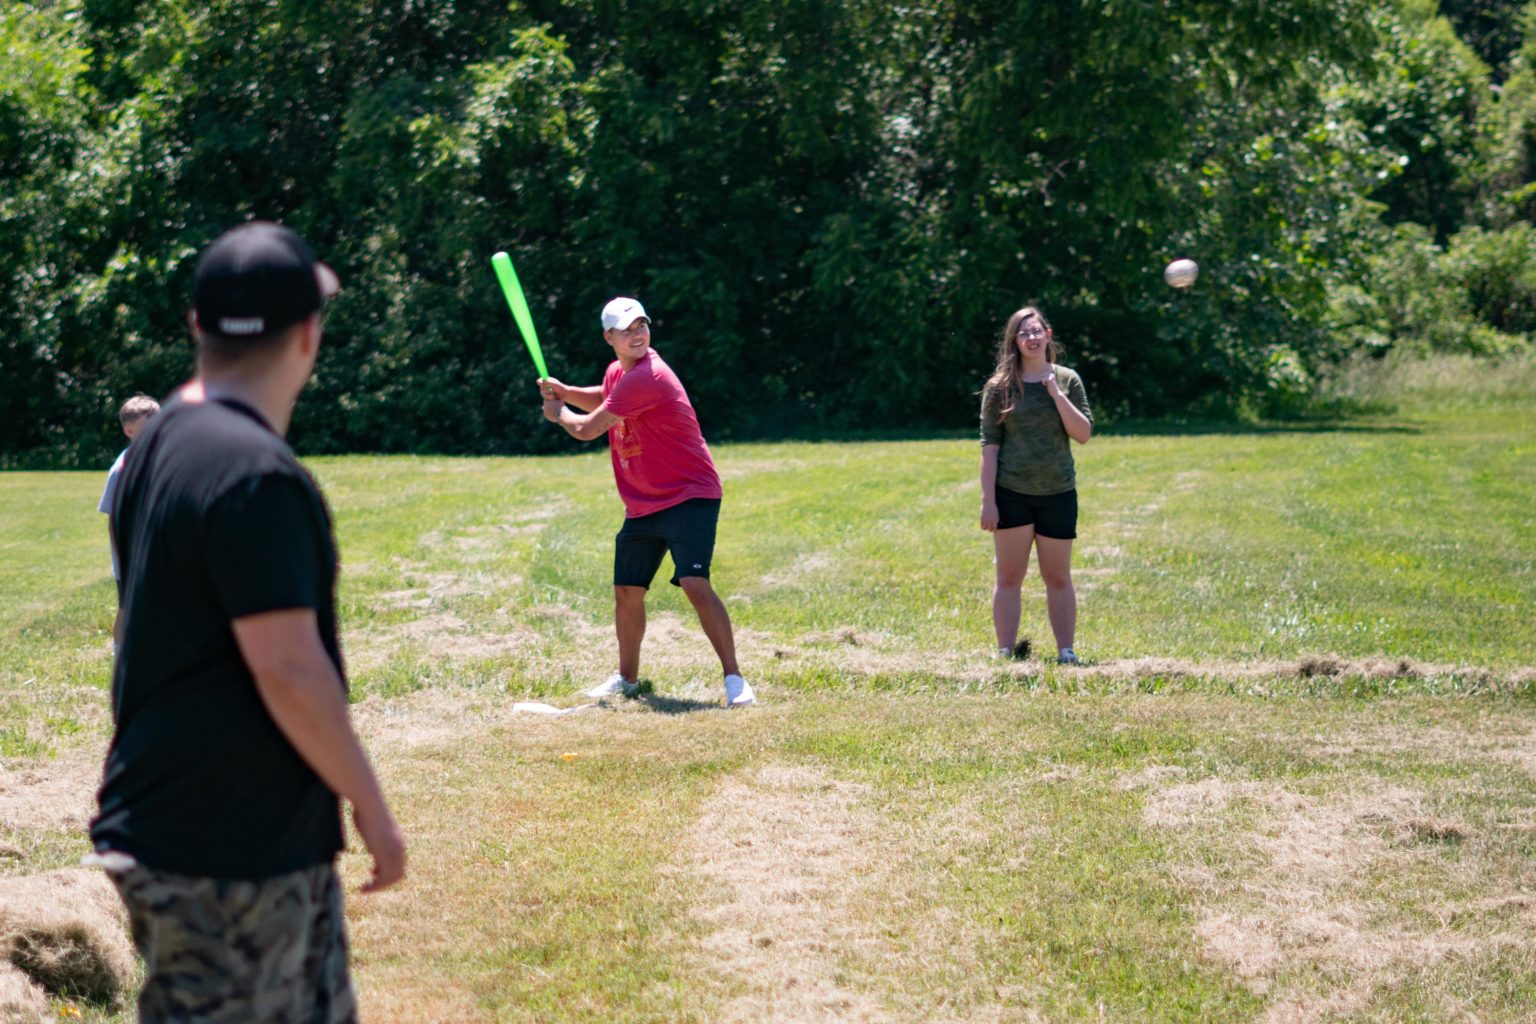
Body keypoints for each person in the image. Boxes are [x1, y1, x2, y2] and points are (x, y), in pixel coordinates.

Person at [90, 221, 406, 1023]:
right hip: (231, 848)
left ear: (197, 326)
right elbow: (289, 669)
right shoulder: (257, 476)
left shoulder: (155, 443)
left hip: (178, 820)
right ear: (309, 333)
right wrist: (368, 804)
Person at [538, 297, 755, 707]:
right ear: (609, 337)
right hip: (644, 501)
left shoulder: (649, 376)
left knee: (694, 583)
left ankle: (735, 679)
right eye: (626, 329)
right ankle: (627, 679)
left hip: (689, 494)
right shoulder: (619, 373)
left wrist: (558, 413)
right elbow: (603, 397)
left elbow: (586, 429)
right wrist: (566, 392)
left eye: (642, 325)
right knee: (627, 590)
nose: (637, 334)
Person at [978, 305, 1093, 665]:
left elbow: (1083, 434)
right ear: (1014, 339)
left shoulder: (1067, 379)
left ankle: (1066, 652)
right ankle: (1005, 652)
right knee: (1009, 576)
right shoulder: (1000, 387)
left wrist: (1055, 393)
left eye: (1036, 331)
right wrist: (989, 501)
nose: (1031, 338)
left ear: (1048, 334)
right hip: (1012, 493)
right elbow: (990, 447)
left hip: (1058, 492)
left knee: (1058, 577)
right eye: (1023, 332)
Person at [100, 394, 161, 650]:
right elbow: (114, 520)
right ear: (129, 430)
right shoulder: (121, 470)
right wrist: (122, 558)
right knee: (127, 606)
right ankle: (120, 655)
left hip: (155, 548)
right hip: (130, 554)